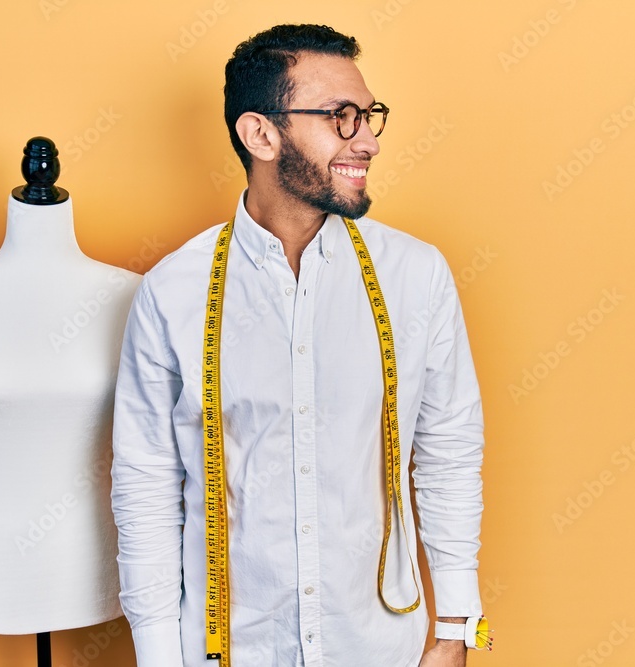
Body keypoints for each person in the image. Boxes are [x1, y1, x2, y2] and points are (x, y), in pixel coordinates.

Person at [110, 23, 486, 666]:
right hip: (233, 650)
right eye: (341, 117)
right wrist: (156, 655)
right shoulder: (172, 293)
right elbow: (146, 483)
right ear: (260, 134)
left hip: (378, 648)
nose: (366, 140)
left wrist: (457, 630)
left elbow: (450, 452)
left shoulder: (416, 277)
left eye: (369, 116)